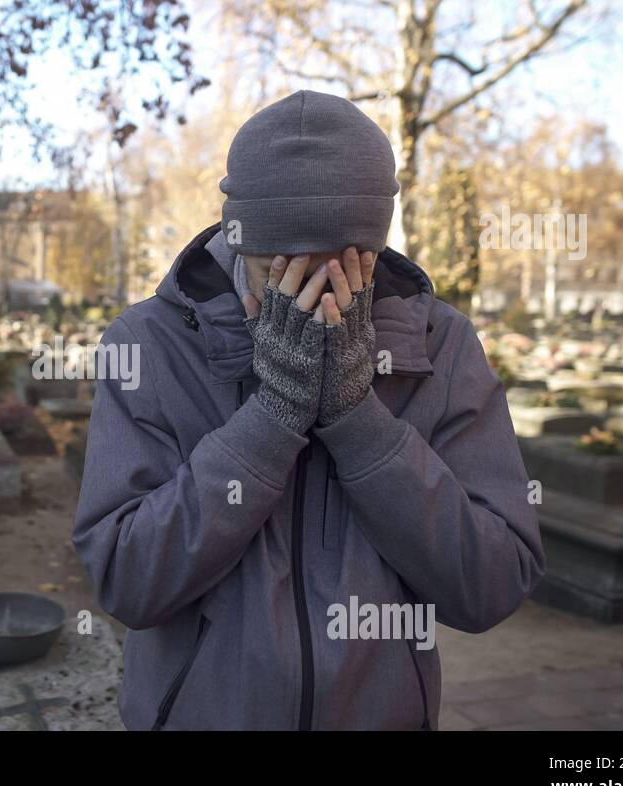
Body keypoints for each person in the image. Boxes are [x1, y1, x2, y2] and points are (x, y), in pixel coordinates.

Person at [72, 90, 544, 730]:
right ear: (241, 245)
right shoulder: (148, 346)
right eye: (283, 276)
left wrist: (362, 425)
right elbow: (127, 580)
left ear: (376, 250)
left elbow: (493, 583)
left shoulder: (442, 346)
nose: (320, 306)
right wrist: (269, 421)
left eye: (348, 274)